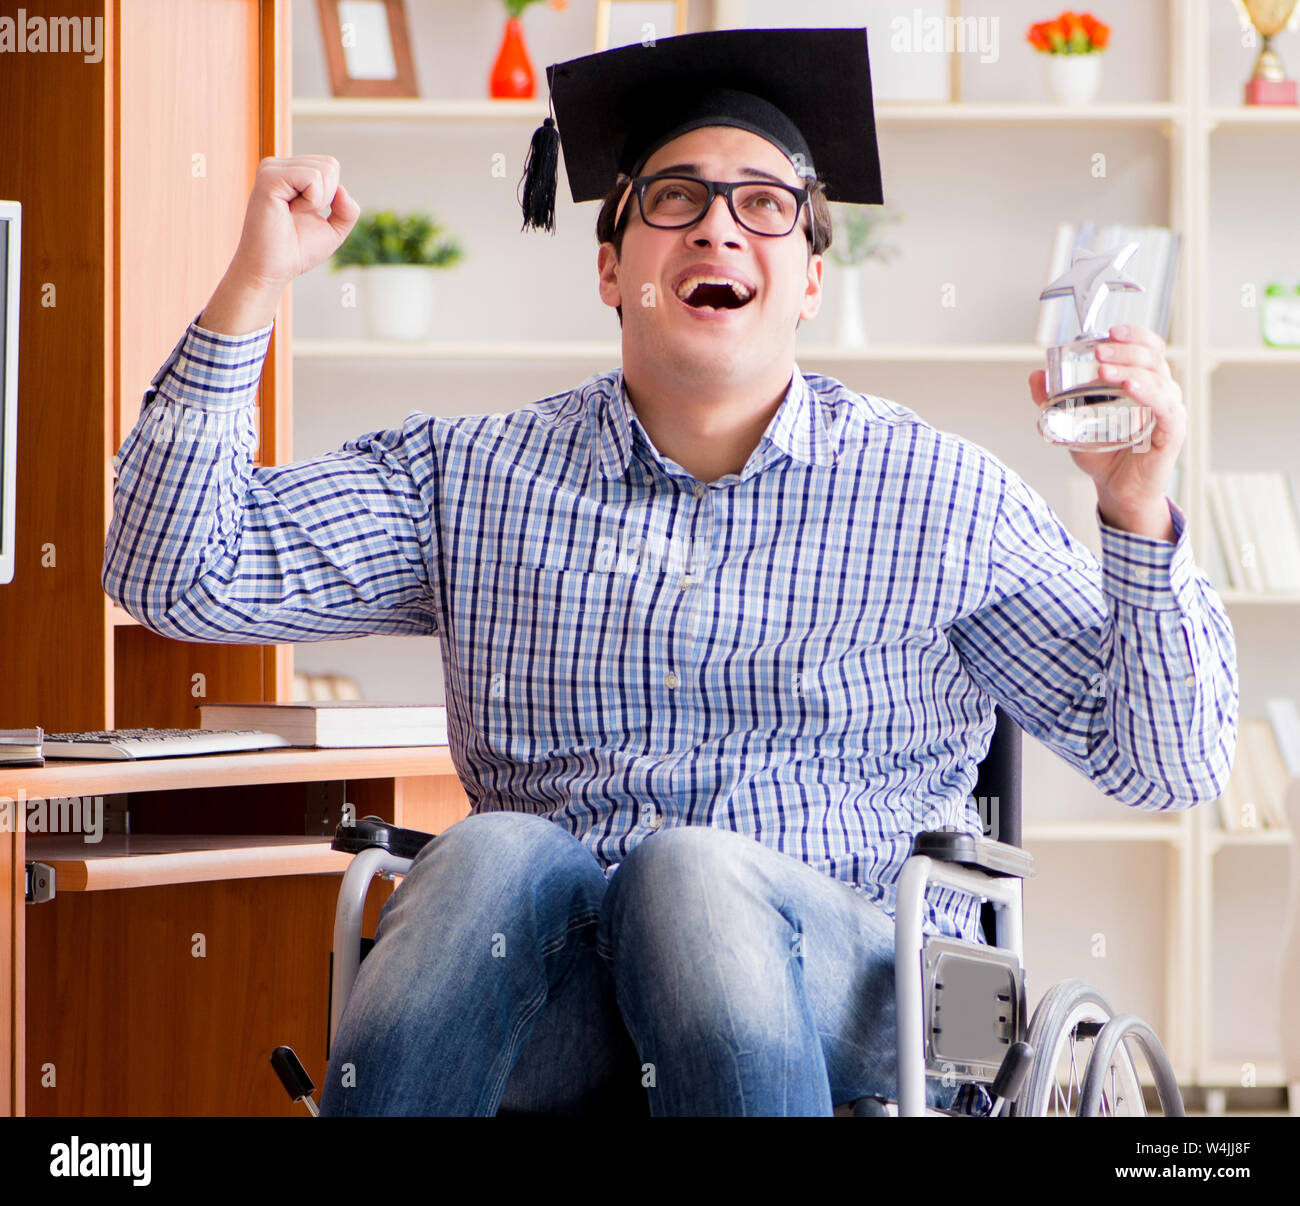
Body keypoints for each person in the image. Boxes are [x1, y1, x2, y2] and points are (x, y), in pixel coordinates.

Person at [102, 28, 1237, 1117]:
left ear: (807, 281)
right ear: (610, 266)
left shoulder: (943, 498)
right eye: (675, 199)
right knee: (491, 850)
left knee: (692, 876)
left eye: (764, 205)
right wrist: (249, 291)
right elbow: (174, 573)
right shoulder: (476, 478)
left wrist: (1134, 511)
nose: (718, 230)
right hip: (562, 995)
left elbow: (1167, 764)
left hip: (849, 994)